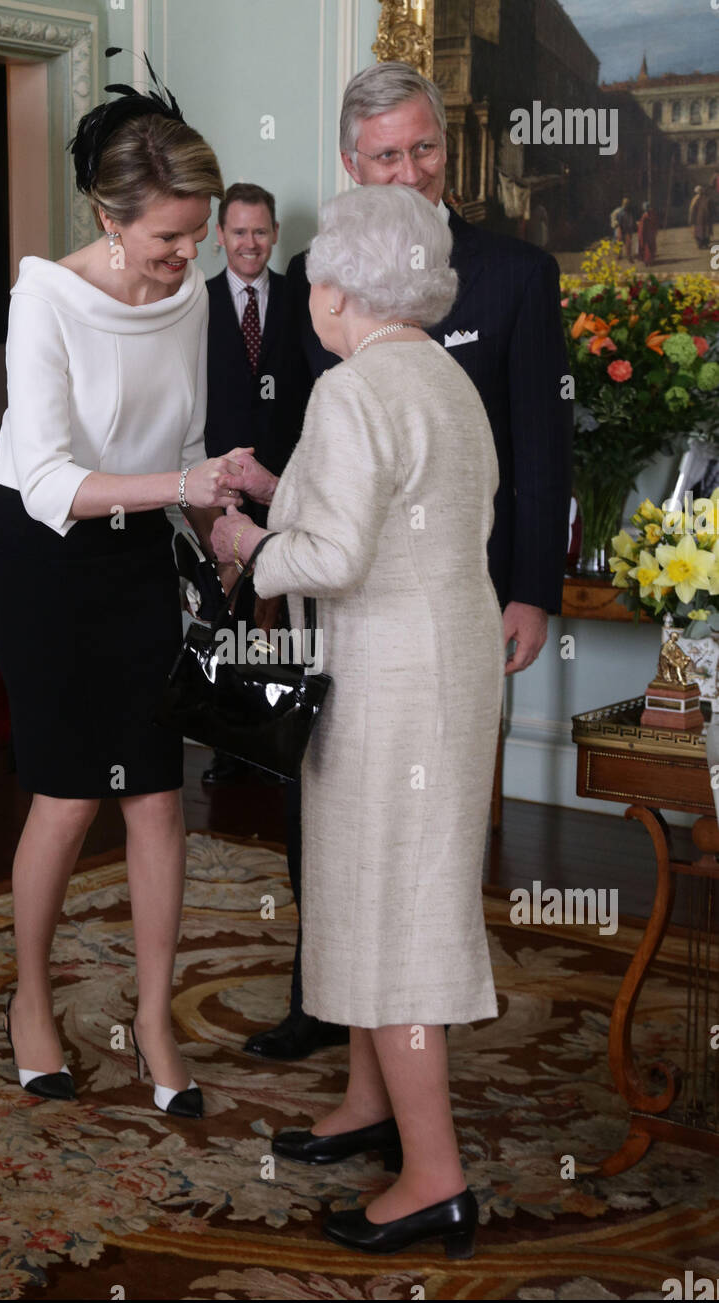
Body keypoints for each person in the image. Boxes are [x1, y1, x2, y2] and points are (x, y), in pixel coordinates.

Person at [245, 60, 573, 1063]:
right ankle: (325, 995)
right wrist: (278, 558)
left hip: (446, 603)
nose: (411, 168)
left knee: (420, 828)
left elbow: (538, 449)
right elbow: (309, 442)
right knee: (325, 801)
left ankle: (404, 1018)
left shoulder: (515, 273)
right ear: (353, 162)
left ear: (443, 144)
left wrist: (530, 590)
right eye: (386, 154)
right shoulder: (316, 277)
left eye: (423, 147)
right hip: (341, 605)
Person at [213, 183, 503, 1257]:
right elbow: (393, 513)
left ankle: (434, 1176)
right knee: (389, 889)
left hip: (390, 677)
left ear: (339, 288)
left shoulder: (348, 387)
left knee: (393, 913)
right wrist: (280, 487)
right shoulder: (442, 377)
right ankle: (367, 1106)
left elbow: (333, 556)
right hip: (450, 664)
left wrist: (247, 546)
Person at [0, 60, 242, 1117]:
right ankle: (31, 1001)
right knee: (69, 787)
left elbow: (181, 443)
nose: (190, 256)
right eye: (171, 236)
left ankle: (158, 1017)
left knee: (157, 793)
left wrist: (218, 523)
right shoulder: (43, 297)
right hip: (40, 551)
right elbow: (47, 479)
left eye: (200, 232)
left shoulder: (182, 300)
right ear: (109, 214)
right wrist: (182, 483)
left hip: (136, 546)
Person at [201, 182, 298, 785]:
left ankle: (281, 746)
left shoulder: (302, 297)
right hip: (218, 484)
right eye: (238, 232)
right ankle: (229, 749)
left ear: (275, 235)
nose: (250, 243)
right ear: (219, 236)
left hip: (286, 483)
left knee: (282, 616)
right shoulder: (194, 299)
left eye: (260, 231)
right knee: (227, 615)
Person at [690, 185, 713, 251]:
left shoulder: (706, 199)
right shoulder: (696, 199)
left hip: (704, 218)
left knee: (704, 231)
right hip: (699, 218)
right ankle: (701, 243)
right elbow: (693, 210)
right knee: (700, 231)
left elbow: (710, 208)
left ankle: (704, 243)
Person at [637, 200, 658, 266]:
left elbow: (642, 227)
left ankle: (648, 261)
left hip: (646, 234)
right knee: (651, 247)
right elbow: (655, 224)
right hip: (651, 233)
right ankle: (650, 261)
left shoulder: (645, 216)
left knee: (647, 247)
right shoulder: (652, 214)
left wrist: (638, 224)